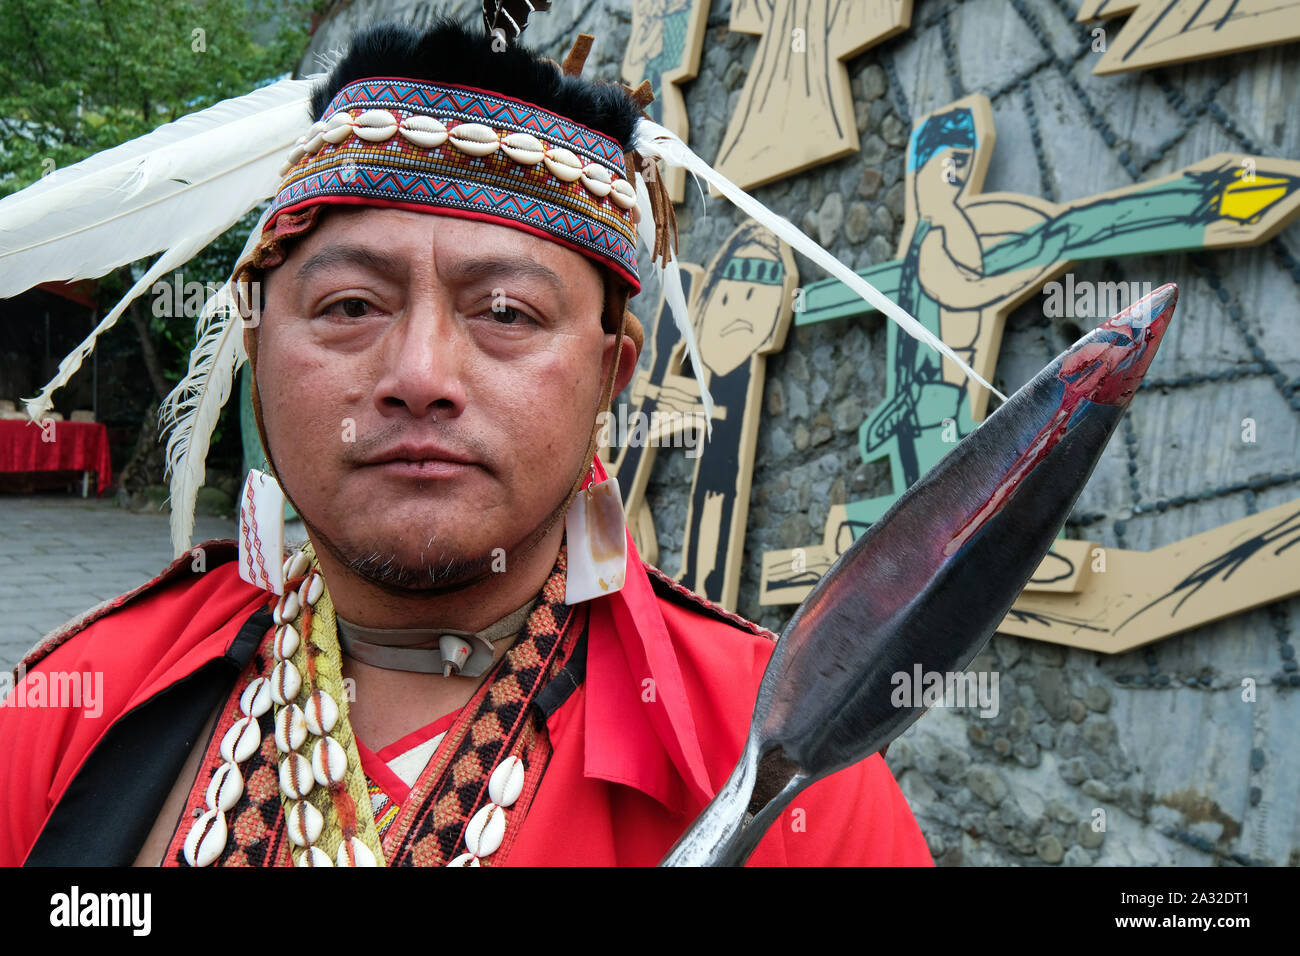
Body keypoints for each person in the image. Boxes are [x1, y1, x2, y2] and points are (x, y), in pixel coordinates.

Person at [0, 17, 932, 867]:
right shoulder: (72, 705)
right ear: (256, 350)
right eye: (351, 306)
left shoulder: (784, 770)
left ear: (610, 376)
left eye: (505, 312)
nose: (419, 374)